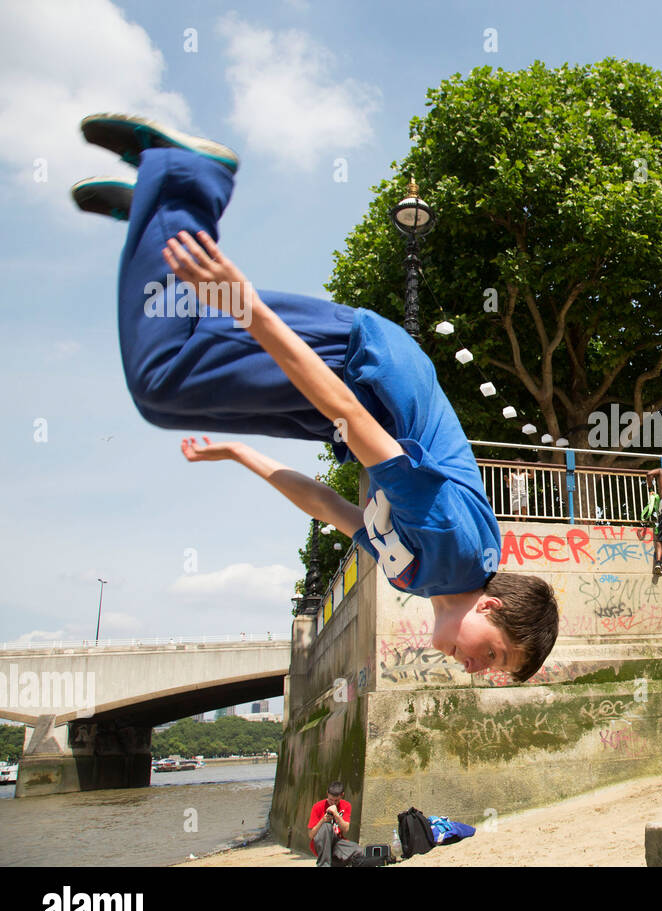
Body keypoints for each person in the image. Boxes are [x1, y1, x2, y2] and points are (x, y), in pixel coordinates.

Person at [70, 113, 557, 683]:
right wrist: (247, 306)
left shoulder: (420, 576)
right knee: (164, 370)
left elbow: (329, 507)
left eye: (488, 673)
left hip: (340, 412)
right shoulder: (453, 546)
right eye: (493, 656)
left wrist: (241, 456)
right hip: (361, 368)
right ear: (491, 608)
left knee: (166, 396)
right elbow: (352, 415)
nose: (476, 669)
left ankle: (160, 212)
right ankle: (182, 184)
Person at [308, 782, 363, 867]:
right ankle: (324, 865)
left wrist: (336, 815)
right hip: (321, 843)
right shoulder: (317, 806)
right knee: (327, 826)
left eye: (336, 801)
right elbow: (311, 835)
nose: (333, 803)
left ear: (342, 795)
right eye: (330, 800)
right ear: (327, 794)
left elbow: (346, 829)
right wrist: (322, 820)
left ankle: (336, 863)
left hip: (337, 842)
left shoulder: (346, 805)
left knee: (359, 851)